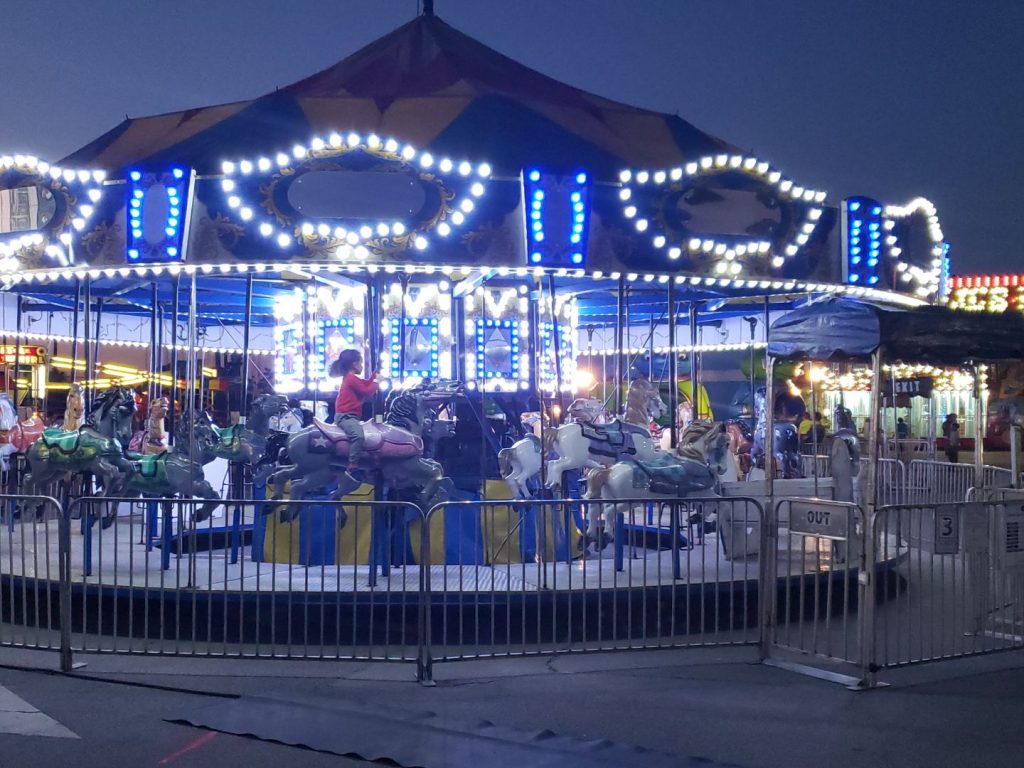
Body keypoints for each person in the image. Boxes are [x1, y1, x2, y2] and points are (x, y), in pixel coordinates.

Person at [330, 349, 379, 483]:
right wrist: (377, 380)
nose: (362, 366)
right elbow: (367, 390)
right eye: (361, 362)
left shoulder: (352, 378)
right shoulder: (350, 378)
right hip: (345, 416)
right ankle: (352, 466)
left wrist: (376, 373)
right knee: (358, 435)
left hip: (351, 416)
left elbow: (366, 384)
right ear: (354, 364)